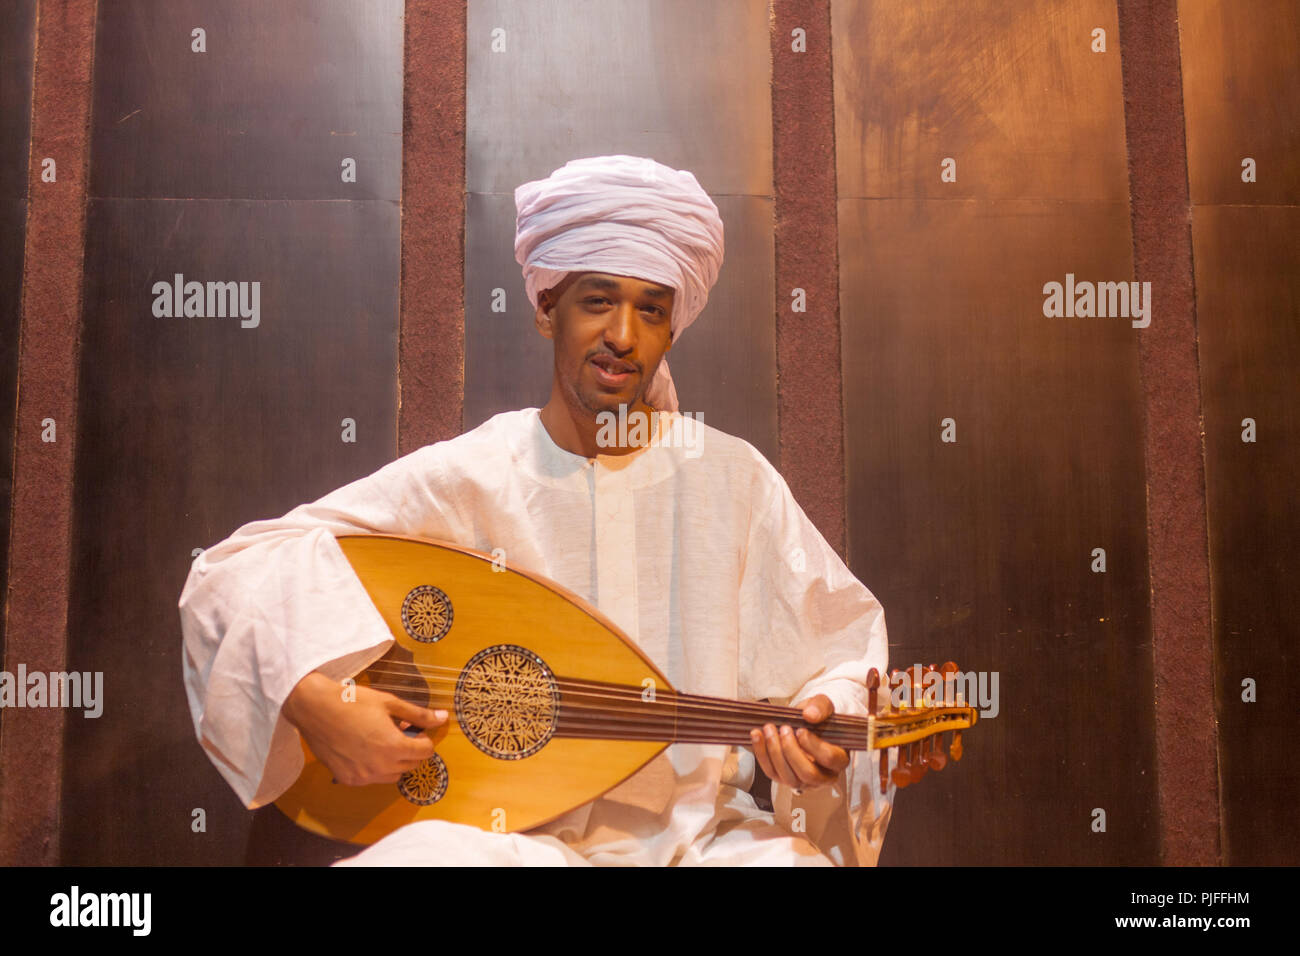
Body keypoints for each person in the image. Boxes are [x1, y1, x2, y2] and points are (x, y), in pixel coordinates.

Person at [178, 155, 894, 865]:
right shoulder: (474, 473)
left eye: (651, 309)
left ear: (673, 329)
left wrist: (826, 730)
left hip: (703, 841)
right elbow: (235, 570)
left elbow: (840, 648)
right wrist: (313, 694)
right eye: (597, 300)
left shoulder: (731, 479)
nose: (623, 334)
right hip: (506, 844)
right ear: (547, 308)